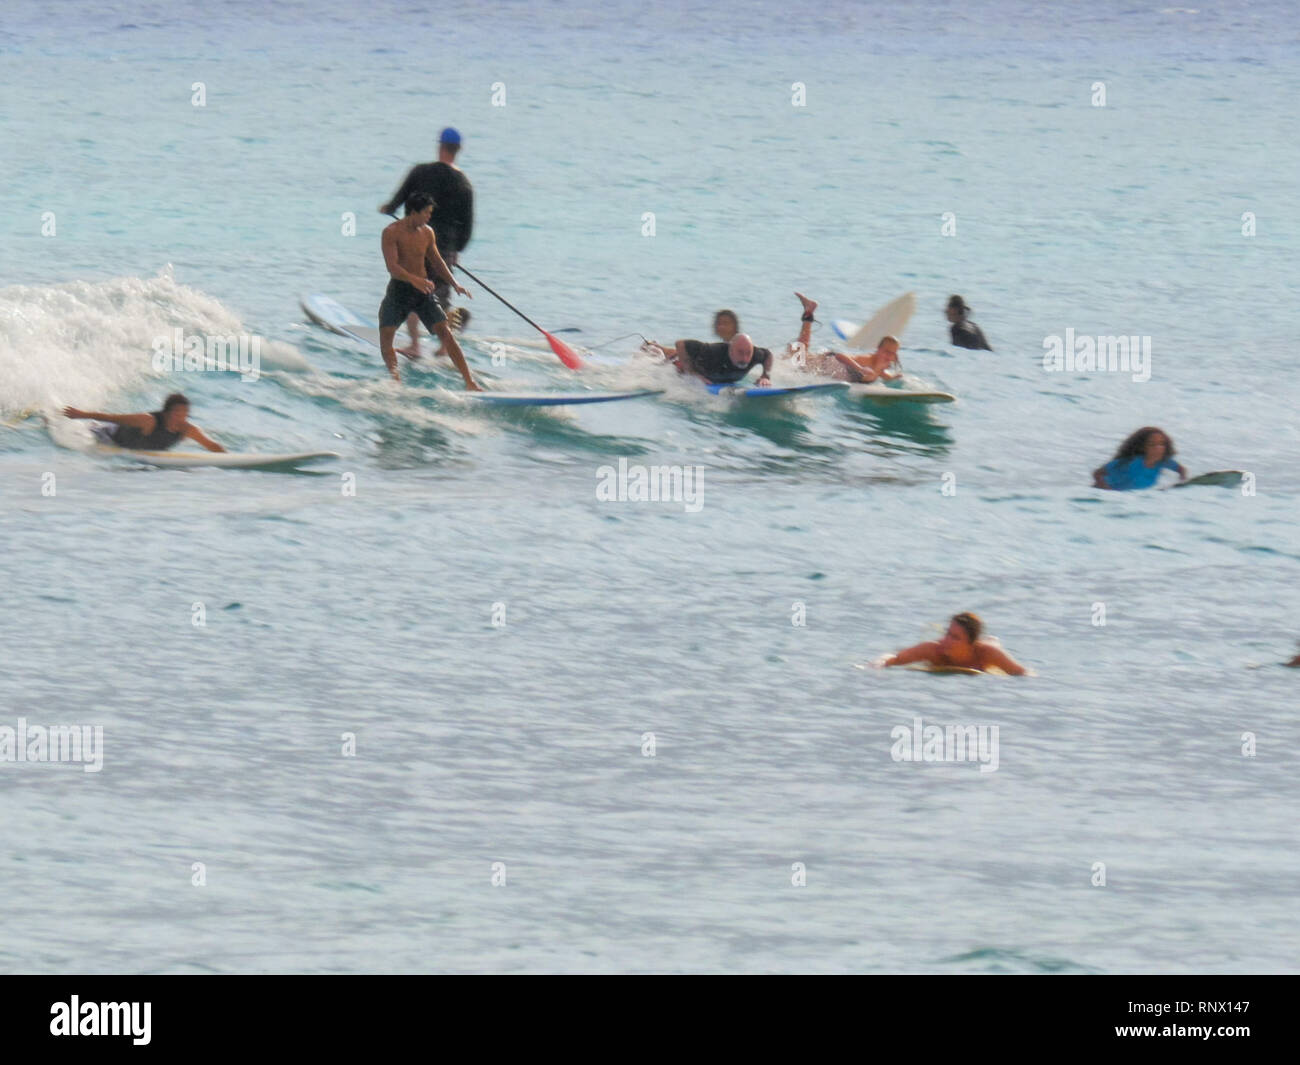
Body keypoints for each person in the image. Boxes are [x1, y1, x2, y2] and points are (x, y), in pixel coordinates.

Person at [379, 127, 475, 355]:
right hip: (448, 248)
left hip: (418, 244)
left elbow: (399, 199)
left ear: (440, 146)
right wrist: (454, 249)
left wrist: (388, 208)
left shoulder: (420, 172)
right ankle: (445, 343)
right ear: (458, 150)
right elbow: (468, 225)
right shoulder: (464, 184)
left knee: (412, 290)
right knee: (440, 297)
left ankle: (414, 345)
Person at [378, 192, 480, 388]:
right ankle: (396, 382)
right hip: (399, 291)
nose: (428, 217)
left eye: (430, 213)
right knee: (386, 338)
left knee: (445, 333)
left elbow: (437, 261)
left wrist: (454, 284)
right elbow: (392, 267)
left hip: (423, 291)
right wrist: (413, 280)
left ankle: (469, 382)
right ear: (414, 212)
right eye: (426, 213)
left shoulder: (427, 233)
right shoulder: (391, 233)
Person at [787, 292, 902, 383]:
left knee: (798, 356)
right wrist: (860, 369)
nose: (889, 355)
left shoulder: (881, 366)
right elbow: (839, 356)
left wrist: (892, 378)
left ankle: (808, 311)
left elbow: (881, 373)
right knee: (797, 360)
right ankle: (809, 311)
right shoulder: (867, 360)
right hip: (831, 363)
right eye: (886, 351)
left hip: (833, 370)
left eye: (892, 353)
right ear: (878, 349)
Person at [62, 393, 225, 452]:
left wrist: (230, 459)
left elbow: (211, 446)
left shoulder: (187, 430)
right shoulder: (148, 420)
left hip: (139, 449)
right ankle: (51, 417)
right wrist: (80, 414)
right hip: (107, 435)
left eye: (185, 414)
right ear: (166, 412)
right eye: (176, 413)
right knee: (71, 431)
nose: (180, 418)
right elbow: (112, 418)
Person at [882, 612, 1028, 675]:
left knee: (993, 645)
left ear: (972, 644)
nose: (947, 641)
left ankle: (991, 639)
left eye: (955, 637)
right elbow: (891, 659)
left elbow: (1022, 673)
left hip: (984, 654)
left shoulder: (988, 654)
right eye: (947, 634)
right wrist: (876, 665)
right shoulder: (932, 650)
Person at [646, 332, 773, 387]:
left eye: (748, 353)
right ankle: (651, 348)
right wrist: (691, 372)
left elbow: (768, 355)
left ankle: (657, 346)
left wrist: (765, 376)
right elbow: (680, 344)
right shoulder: (713, 351)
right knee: (668, 361)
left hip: (703, 363)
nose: (745, 358)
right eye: (740, 353)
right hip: (688, 363)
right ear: (730, 349)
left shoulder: (755, 354)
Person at [1093, 427, 1186, 490]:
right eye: (1152, 444)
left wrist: (1180, 484)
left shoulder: (1163, 462)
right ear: (1142, 447)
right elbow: (1097, 473)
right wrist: (1107, 491)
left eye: (1161, 444)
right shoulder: (1130, 462)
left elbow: (1181, 470)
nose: (1158, 448)